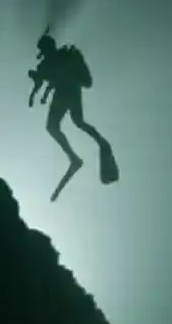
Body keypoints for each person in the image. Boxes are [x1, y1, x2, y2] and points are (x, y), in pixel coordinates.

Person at [28, 30, 116, 199]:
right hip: (63, 93)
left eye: (44, 50)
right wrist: (36, 92)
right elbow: (42, 80)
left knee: (75, 122)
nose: (44, 54)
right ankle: (77, 156)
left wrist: (40, 90)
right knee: (60, 125)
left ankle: (88, 149)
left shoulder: (63, 57)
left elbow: (48, 79)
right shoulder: (50, 62)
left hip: (67, 92)